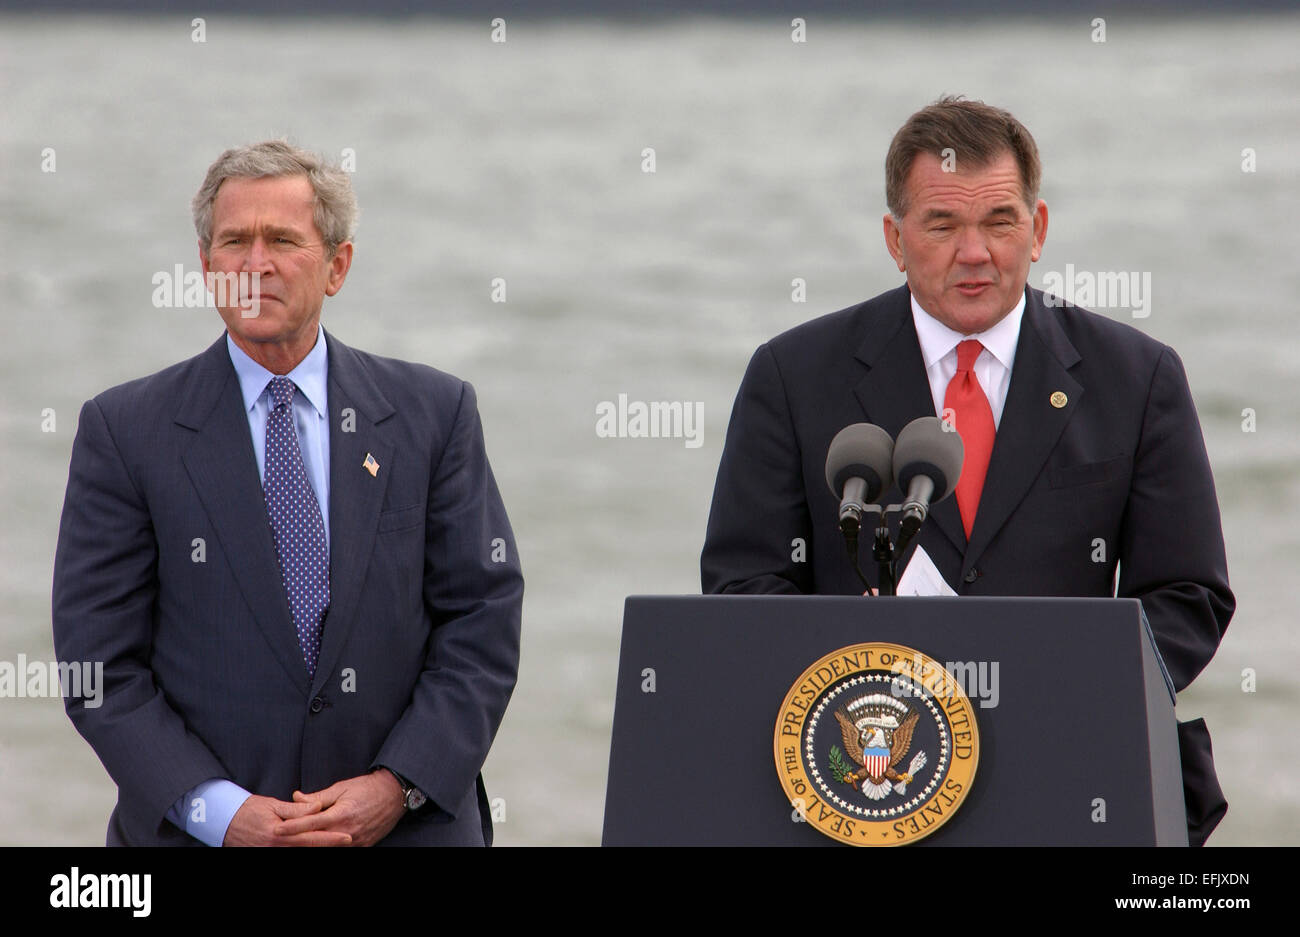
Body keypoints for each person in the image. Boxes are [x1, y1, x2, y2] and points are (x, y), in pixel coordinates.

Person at [700, 97, 1234, 845]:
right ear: (895, 238)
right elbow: (740, 587)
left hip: (1078, 777)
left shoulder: (1137, 378)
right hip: (867, 786)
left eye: (1000, 222)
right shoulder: (793, 376)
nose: (975, 252)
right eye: (943, 224)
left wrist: (1055, 679)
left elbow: (1189, 594)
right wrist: (865, 667)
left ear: (1038, 229)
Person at [52, 141, 522, 846]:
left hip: (405, 830)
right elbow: (100, 667)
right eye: (234, 242)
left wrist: (396, 786)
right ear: (207, 266)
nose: (255, 264)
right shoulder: (125, 432)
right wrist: (216, 810)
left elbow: (481, 625)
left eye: (282, 240)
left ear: (338, 265)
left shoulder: (434, 413)